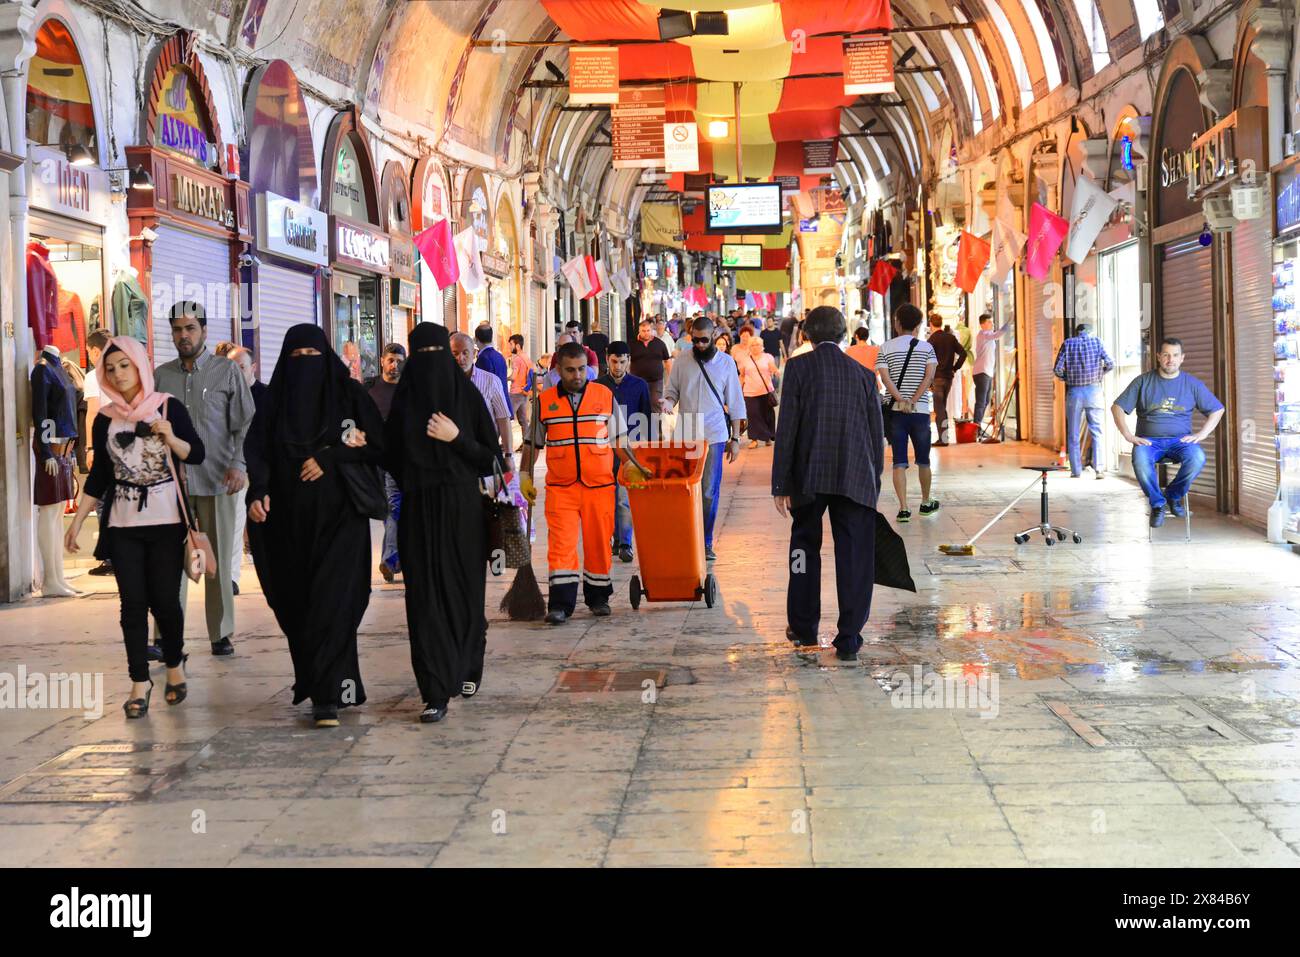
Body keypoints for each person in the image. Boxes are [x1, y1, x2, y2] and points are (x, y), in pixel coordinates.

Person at [244, 324, 385, 728]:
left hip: (342, 520)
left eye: (313, 356)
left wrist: (333, 456)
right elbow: (257, 451)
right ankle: (326, 683)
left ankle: (326, 697)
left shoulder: (350, 395)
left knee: (334, 601)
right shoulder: (274, 403)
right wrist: (259, 491)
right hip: (287, 522)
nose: (305, 366)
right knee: (299, 605)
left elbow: (382, 446)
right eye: (297, 358)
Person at [64, 336, 206, 716]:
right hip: (122, 524)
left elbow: (197, 452)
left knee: (164, 601)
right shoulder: (106, 419)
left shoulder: (167, 407)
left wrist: (170, 436)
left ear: (140, 365)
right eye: (110, 368)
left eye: (124, 365)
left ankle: (174, 664)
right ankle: (139, 681)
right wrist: (77, 522)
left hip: (166, 522)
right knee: (131, 606)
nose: (118, 373)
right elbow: (99, 476)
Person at [384, 323, 502, 723]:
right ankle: (434, 690)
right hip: (418, 512)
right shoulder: (404, 404)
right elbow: (389, 458)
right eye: (423, 355)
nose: (431, 364)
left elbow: (490, 458)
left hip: (462, 510)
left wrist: (455, 439)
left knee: (464, 592)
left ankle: (469, 663)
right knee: (424, 599)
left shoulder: (466, 397)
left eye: (439, 353)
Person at [773, 306, 883, 661]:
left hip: (809, 475)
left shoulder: (798, 368)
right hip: (855, 475)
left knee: (804, 550)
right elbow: (875, 434)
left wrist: (781, 483)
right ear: (842, 335)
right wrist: (874, 481)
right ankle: (849, 638)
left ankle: (805, 629)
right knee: (854, 555)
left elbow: (787, 426)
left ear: (806, 335)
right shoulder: (863, 374)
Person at [520, 341, 649, 624]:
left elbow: (619, 439)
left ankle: (598, 597)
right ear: (558, 370)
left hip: (599, 486)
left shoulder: (603, 396)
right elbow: (532, 444)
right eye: (570, 370)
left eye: (581, 369)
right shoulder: (546, 401)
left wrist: (632, 465)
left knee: (599, 544)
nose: (577, 375)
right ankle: (560, 605)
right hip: (561, 488)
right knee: (561, 545)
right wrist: (525, 476)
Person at [154, 301, 255, 657]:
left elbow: (244, 422)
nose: (184, 335)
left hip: (217, 479)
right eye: (178, 329)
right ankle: (167, 635)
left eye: (191, 328)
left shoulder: (226, 372)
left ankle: (220, 632)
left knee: (217, 560)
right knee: (169, 563)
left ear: (204, 331)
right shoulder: (160, 377)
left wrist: (238, 464)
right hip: (172, 487)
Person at [1111, 336, 1224, 528]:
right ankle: (1158, 504)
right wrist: (1128, 436)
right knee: (1140, 459)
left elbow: (1217, 409)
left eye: (1175, 355)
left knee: (1197, 458)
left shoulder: (1192, 384)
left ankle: (1173, 495)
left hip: (1180, 442)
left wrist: (1202, 434)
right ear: (1158, 357)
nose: (1170, 360)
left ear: (1182, 358)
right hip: (1149, 442)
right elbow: (1117, 407)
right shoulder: (1143, 382)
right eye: (1166, 355)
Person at [662, 316, 746, 561]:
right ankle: (686, 537)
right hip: (686, 431)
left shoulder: (726, 363)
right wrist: (667, 403)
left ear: (714, 336)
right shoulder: (682, 361)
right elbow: (672, 392)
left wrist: (736, 438)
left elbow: (736, 402)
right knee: (684, 488)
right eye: (695, 340)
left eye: (704, 340)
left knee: (709, 490)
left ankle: (705, 541)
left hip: (714, 433)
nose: (699, 345)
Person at [877, 303, 939, 522]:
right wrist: (913, 400)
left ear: (897, 323)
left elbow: (885, 378)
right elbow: (929, 377)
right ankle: (925, 502)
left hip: (896, 412)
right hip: (920, 411)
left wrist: (901, 399)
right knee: (924, 460)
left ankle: (903, 508)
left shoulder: (885, 347)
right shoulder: (926, 348)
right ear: (918, 325)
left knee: (899, 461)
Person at [597, 341, 651, 562]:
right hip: (604, 450)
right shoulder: (598, 386)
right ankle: (614, 539)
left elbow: (646, 418)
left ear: (629, 361)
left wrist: (647, 449)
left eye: (622, 361)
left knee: (624, 497)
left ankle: (626, 542)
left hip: (631, 450)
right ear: (607, 360)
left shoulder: (639, 385)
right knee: (607, 498)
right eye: (614, 361)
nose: (618, 366)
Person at [225, 346, 269, 595]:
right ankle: (231, 577)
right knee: (234, 522)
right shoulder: (224, 396)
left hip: (261, 471)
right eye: (231, 367)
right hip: (235, 468)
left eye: (240, 367)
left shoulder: (266, 396)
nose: (235, 372)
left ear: (252, 368)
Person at [1054, 323, 1114, 479]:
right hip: (1094, 391)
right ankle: (1099, 469)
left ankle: (1076, 471)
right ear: (1090, 332)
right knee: (1097, 431)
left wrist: (1068, 379)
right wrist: (1099, 375)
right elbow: (1110, 363)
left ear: (1077, 333)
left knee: (1073, 432)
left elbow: (1057, 369)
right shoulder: (1098, 341)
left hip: (1075, 392)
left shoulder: (1068, 343)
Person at [369, 343, 407, 583]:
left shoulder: (409, 390)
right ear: (382, 360)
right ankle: (395, 556)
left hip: (397, 460)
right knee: (386, 510)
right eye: (391, 360)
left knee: (393, 507)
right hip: (372, 460)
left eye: (399, 361)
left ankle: (390, 558)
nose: (394, 365)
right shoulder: (369, 388)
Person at [451, 332, 513, 472]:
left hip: (485, 454)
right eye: (455, 353)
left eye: (465, 353)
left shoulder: (491, 381)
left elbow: (503, 419)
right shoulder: (442, 384)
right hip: (453, 459)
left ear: (474, 353)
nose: (460, 358)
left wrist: (508, 455)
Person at [83, 329, 116, 578]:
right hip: (123, 445)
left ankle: (109, 558)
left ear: (95, 350)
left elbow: (93, 413)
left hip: (104, 446)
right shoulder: (122, 369)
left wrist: (90, 447)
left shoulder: (95, 375)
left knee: (103, 500)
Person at [926, 312, 966, 447]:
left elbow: (927, 361)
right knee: (942, 407)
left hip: (937, 377)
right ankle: (944, 437)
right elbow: (963, 353)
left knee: (940, 409)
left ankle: (943, 439)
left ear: (931, 324)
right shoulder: (950, 338)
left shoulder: (931, 340)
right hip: (948, 377)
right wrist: (955, 368)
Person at [972, 312, 1012, 430]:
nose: (992, 323)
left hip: (987, 372)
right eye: (989, 322)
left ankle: (977, 425)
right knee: (981, 401)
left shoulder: (988, 335)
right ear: (982, 324)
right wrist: (1008, 323)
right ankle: (976, 427)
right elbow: (997, 334)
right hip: (981, 372)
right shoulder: (984, 334)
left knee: (986, 400)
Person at [738, 336, 778, 448]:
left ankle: (768, 437)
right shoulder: (745, 360)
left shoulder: (768, 357)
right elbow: (742, 376)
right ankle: (754, 439)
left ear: (762, 346)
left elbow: (773, 369)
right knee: (753, 415)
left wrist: (775, 371)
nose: (755, 347)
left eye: (758, 345)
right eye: (753, 345)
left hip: (766, 391)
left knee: (767, 415)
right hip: (749, 392)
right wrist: (739, 389)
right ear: (749, 347)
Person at [630, 317, 672, 412]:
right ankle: (642, 426)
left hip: (656, 381)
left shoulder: (659, 344)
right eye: (643, 331)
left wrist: (670, 378)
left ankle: (656, 427)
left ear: (652, 330)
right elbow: (626, 361)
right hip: (637, 381)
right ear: (639, 331)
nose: (646, 333)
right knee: (639, 405)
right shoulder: (632, 344)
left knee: (655, 404)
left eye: (648, 330)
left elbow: (667, 361)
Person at [473, 324, 510, 401]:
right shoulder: (500, 356)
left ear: (476, 339)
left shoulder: (483, 358)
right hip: (504, 402)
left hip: (493, 406)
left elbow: (483, 387)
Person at [507, 333, 532, 440]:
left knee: (506, 418)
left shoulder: (517, 359)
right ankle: (526, 442)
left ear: (517, 345)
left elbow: (513, 377)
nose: (509, 346)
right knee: (523, 420)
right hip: (524, 392)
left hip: (515, 393)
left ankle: (506, 443)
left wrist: (504, 378)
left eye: (511, 344)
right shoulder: (526, 357)